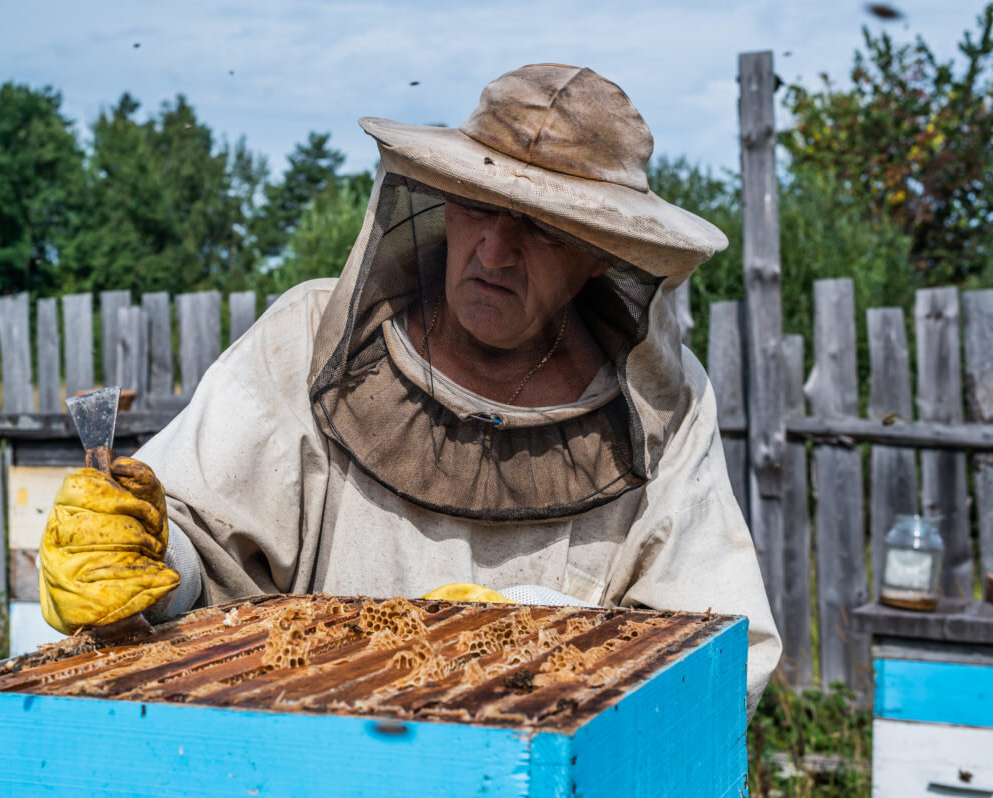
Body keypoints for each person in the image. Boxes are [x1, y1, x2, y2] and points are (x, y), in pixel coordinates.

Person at [40, 63, 781, 715]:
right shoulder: (304, 340)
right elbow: (201, 552)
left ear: (601, 255)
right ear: (441, 199)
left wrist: (540, 632)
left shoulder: (661, 409)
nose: (495, 251)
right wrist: (147, 564)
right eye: (479, 205)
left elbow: (718, 656)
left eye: (543, 227)